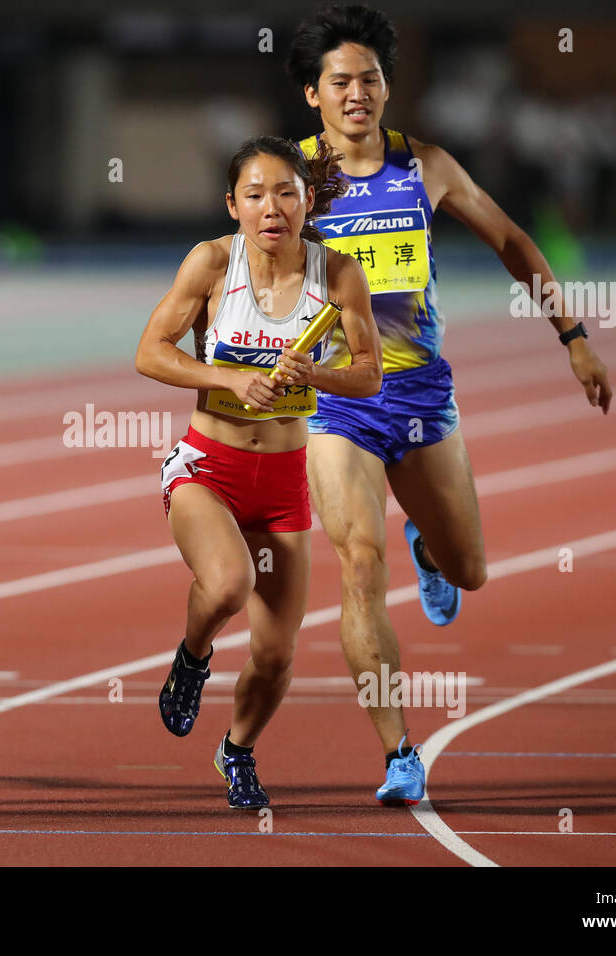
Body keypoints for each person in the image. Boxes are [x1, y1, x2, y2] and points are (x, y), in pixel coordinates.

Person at [285, 5, 615, 804]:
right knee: (359, 565)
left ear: (388, 87)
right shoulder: (289, 178)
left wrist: (571, 332)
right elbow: (237, 274)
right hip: (340, 402)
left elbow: (509, 238)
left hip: (423, 396)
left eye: (370, 78)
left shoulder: (426, 166)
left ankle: (431, 549)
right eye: (341, 82)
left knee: (470, 568)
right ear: (312, 95)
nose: (357, 93)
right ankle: (400, 751)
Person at [135, 136, 382, 808]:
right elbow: (150, 353)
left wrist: (319, 374)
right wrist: (228, 378)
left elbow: (370, 374)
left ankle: (236, 751)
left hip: (281, 483)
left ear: (306, 200)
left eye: (285, 192)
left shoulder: (337, 276)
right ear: (233, 205)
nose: (271, 207)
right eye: (255, 194)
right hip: (208, 469)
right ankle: (193, 658)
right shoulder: (213, 263)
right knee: (228, 584)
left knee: (276, 655)